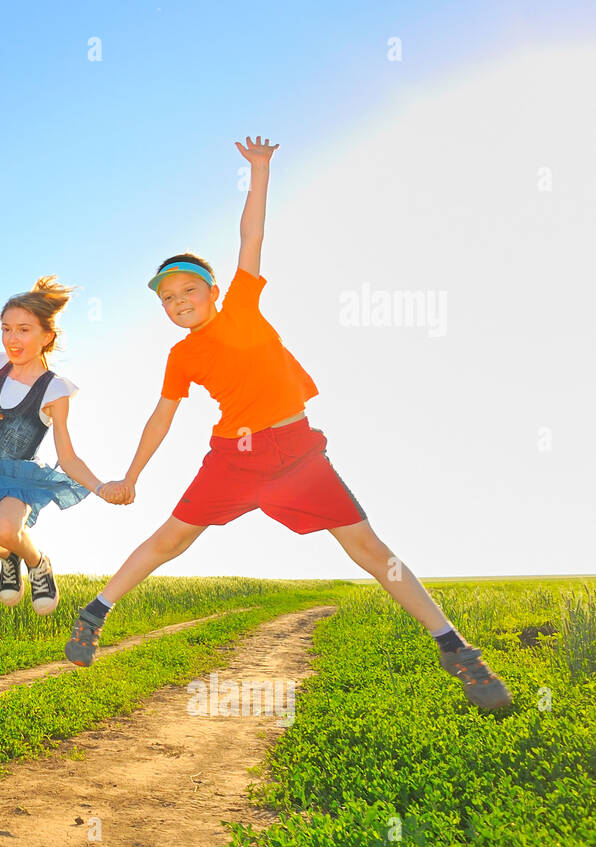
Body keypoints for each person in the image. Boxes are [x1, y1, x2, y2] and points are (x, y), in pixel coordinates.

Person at [65, 136, 511, 712]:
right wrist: (130, 475)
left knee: (370, 550)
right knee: (171, 539)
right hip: (233, 458)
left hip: (297, 455)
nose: (178, 303)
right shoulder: (182, 357)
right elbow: (162, 415)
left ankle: (455, 647)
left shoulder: (244, 308)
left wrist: (259, 172)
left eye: (188, 290)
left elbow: (252, 237)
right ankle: (95, 614)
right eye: (167, 299)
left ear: (214, 291)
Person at [0, 276, 116, 614]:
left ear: (47, 337)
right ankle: (8, 555)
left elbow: (68, 457)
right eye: (6, 329)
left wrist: (102, 488)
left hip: (18, 479)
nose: (12, 339)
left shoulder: (55, 390)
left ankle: (37, 562)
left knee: (4, 528)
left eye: (23, 330)